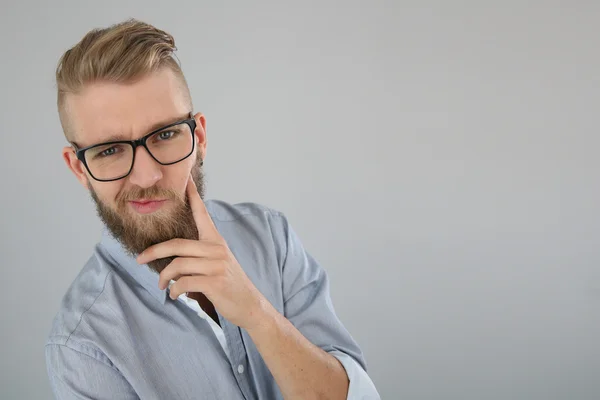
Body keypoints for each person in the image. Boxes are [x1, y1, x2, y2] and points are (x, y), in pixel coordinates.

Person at [45, 18, 380, 400]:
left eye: (165, 134)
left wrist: (256, 314)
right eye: (109, 150)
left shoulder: (271, 237)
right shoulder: (82, 348)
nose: (147, 174)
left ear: (199, 137)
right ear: (78, 168)